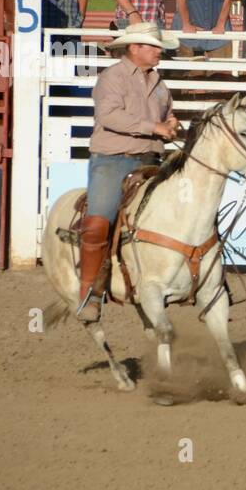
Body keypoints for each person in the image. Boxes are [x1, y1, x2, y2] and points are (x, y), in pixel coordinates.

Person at [77, 22, 181, 322]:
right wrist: (155, 127)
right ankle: (90, 293)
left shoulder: (159, 84)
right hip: (113, 160)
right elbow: (108, 116)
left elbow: (168, 114)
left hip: (151, 161)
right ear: (134, 48)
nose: (159, 51)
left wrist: (171, 124)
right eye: (153, 46)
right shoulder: (112, 77)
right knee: (98, 223)